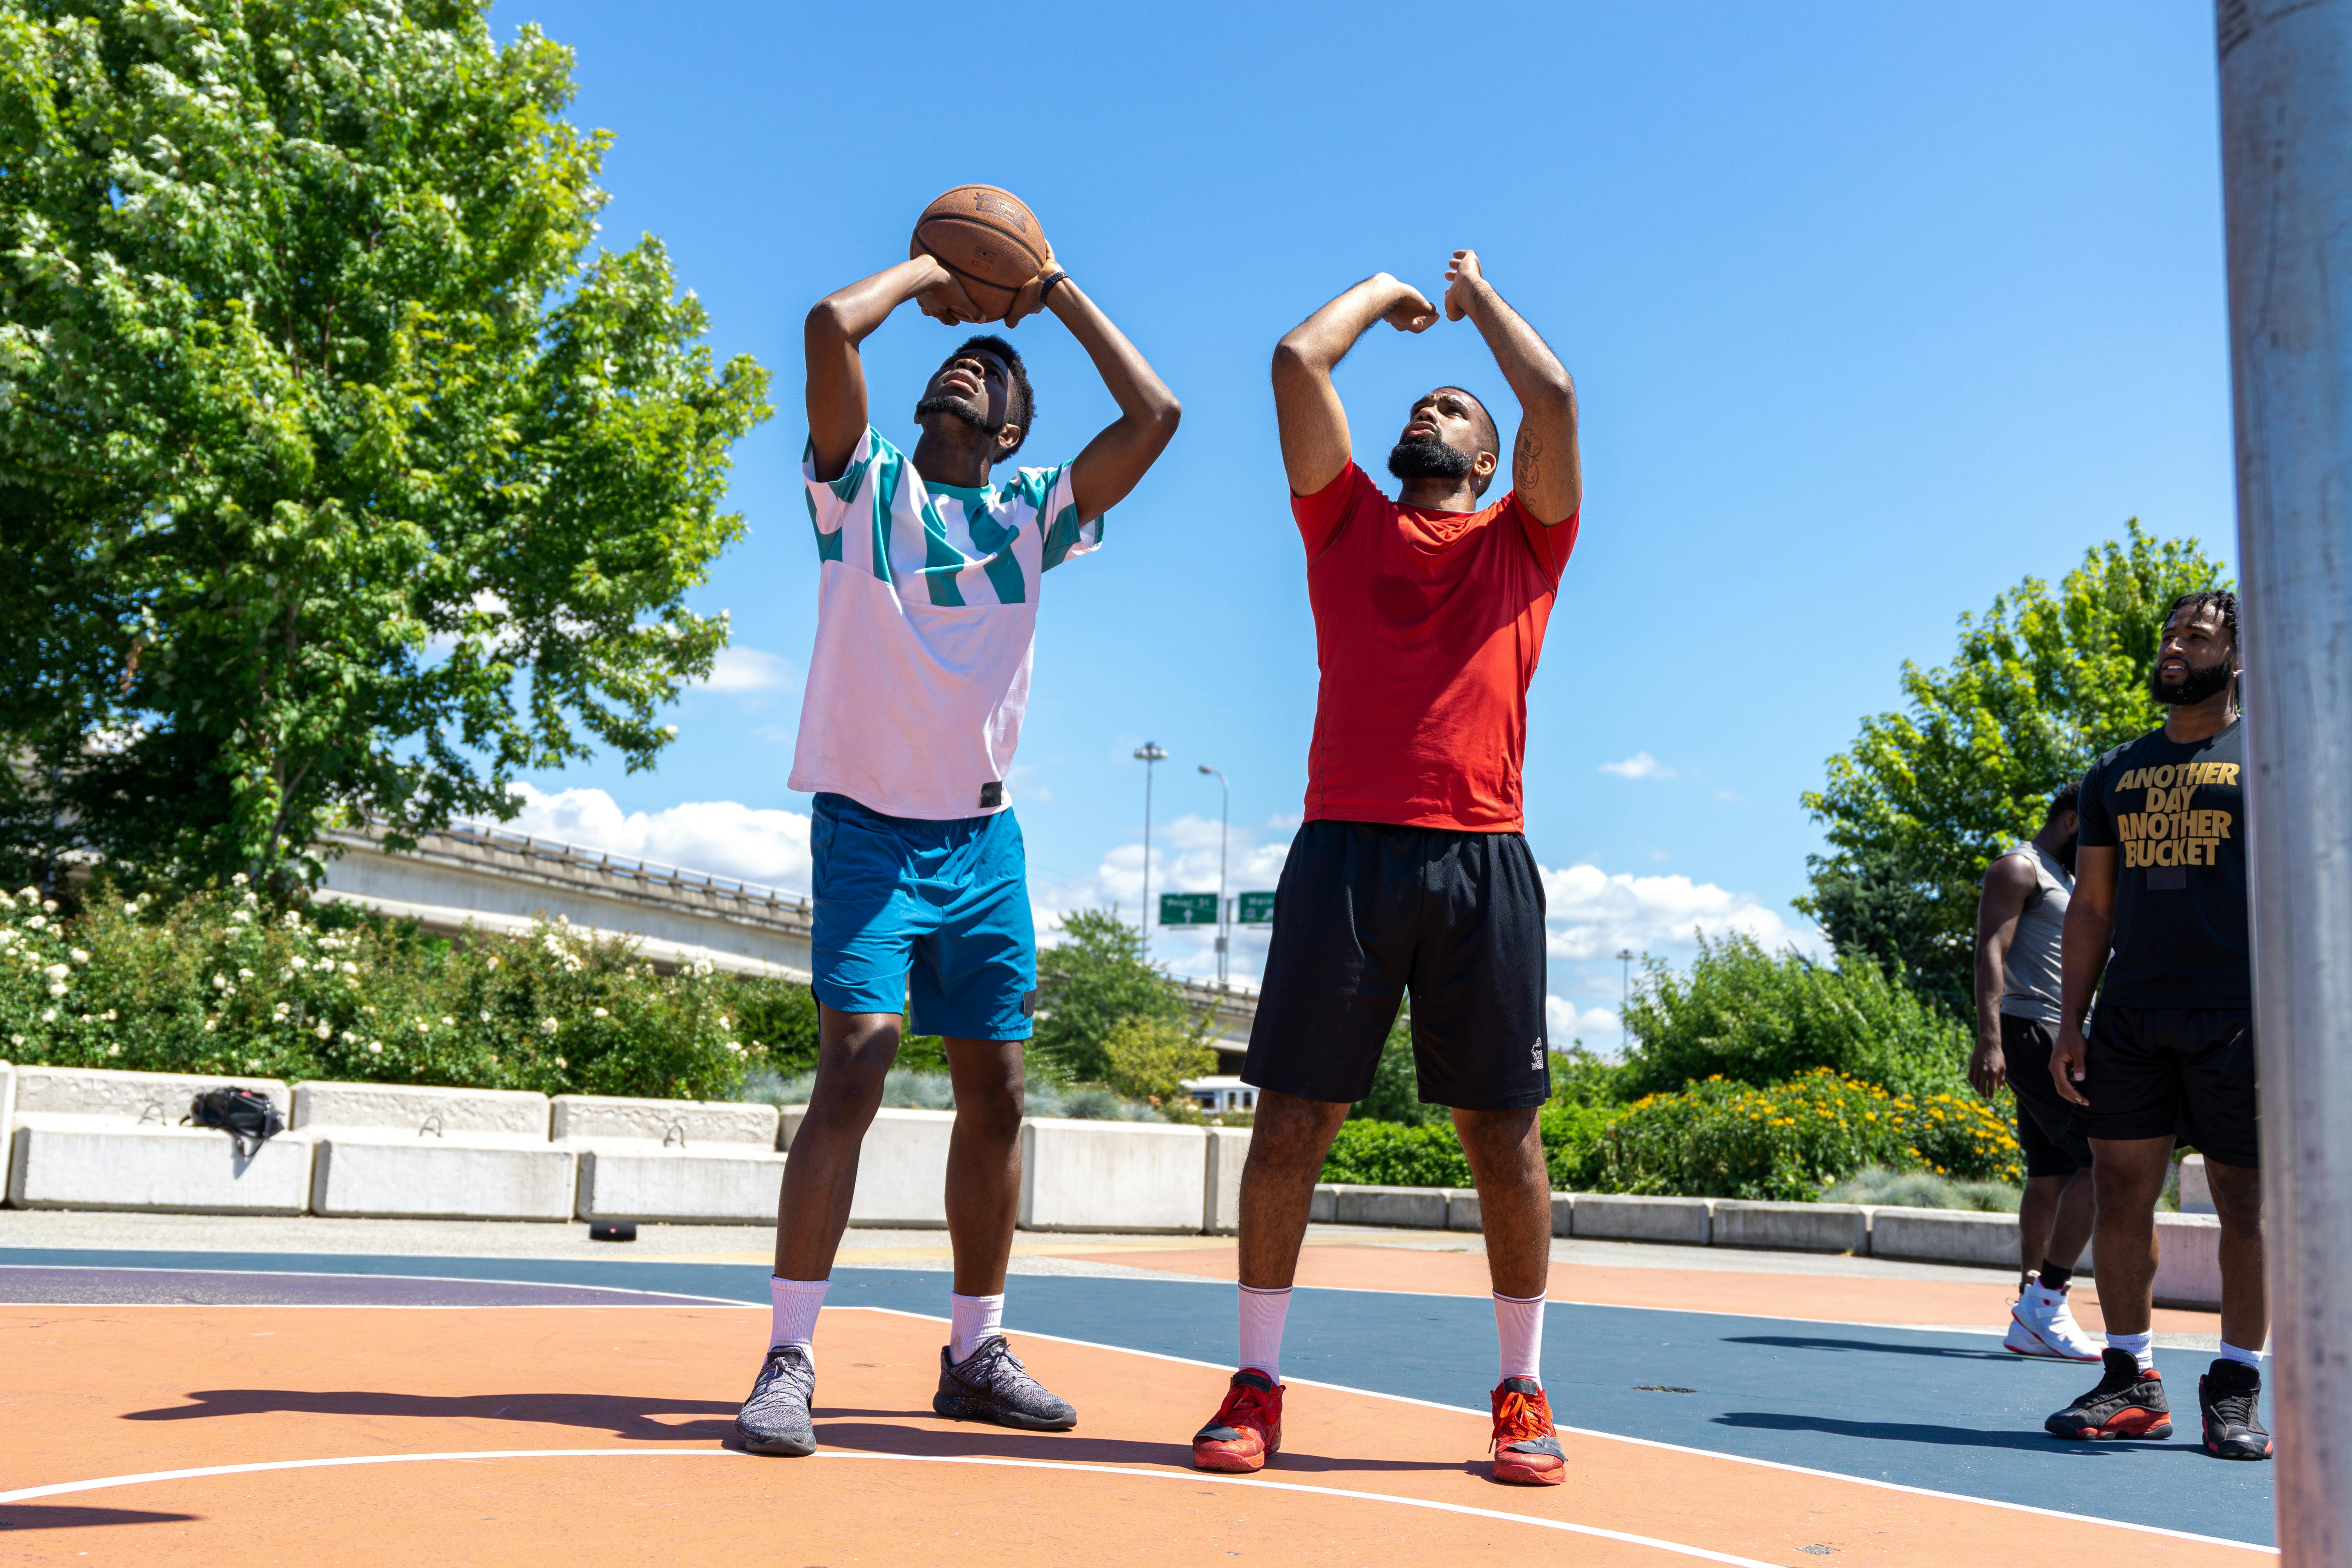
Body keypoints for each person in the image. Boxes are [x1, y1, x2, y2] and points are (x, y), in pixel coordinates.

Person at [733, 250, 1180, 1457]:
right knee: (855, 1065)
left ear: (1014, 430)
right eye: (955, 359)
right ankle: (788, 1357)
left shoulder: (1033, 514)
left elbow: (1156, 415)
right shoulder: (860, 485)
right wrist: (938, 265)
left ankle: (974, 1353)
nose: (965, 370)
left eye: (991, 371)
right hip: (867, 829)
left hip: (983, 840)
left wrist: (1052, 291)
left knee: (1001, 1095)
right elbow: (830, 324)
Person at [1189, 252, 1580, 1487]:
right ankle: (1255, 1381)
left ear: (1487, 461)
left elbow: (1552, 399)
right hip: (1344, 850)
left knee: (1499, 1133)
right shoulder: (1345, 518)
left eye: (1454, 409)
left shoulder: (1524, 543)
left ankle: (1520, 1388)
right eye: (1423, 400)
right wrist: (1376, 289)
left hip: (1480, 855)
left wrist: (1477, 303)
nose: (1431, 407)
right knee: (1291, 1119)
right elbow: (1295, 362)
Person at [2044, 589, 2270, 1461]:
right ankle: (2131, 1378)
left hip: (2241, 1013)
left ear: (2236, 658)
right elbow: (2092, 906)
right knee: (2119, 1191)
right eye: (2171, 635)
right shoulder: (2115, 772)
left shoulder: (2269, 761)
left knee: (2244, 1204)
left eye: (2197, 636)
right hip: (2133, 1014)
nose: (2175, 647)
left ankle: (2236, 1384)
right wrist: (2071, 1020)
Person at [1970, 784, 2099, 1360]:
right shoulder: (2019, 868)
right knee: (2103, 1161)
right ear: (2072, 821)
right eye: (2095, 833)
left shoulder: (2064, 877)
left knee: (2050, 1170)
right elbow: (1989, 952)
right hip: (2032, 1031)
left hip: (2056, 1032)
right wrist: (1990, 1041)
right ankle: (2047, 1301)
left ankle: (2031, 1299)